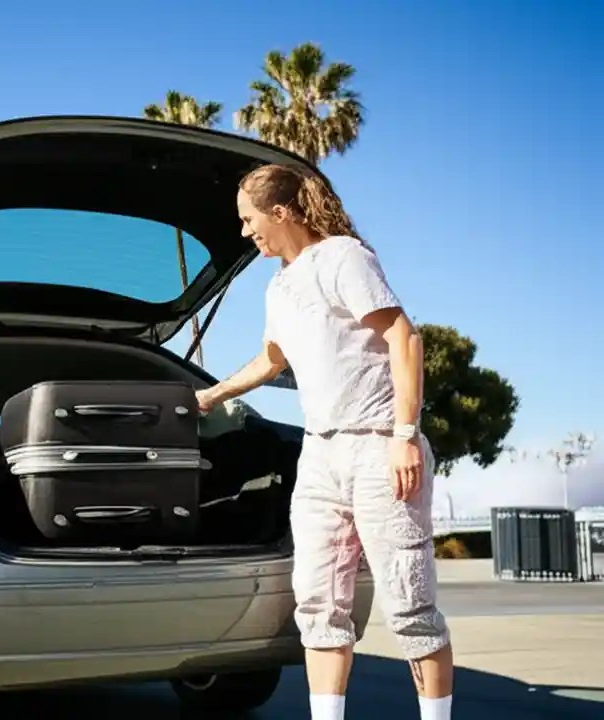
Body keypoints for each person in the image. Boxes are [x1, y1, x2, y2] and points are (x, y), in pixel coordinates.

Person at [194, 163, 454, 720]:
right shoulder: (280, 285)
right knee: (317, 605)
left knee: (410, 605)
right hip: (320, 455)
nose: (245, 232)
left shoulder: (343, 257)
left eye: (248, 219)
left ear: (281, 213)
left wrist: (404, 436)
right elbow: (271, 360)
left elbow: (404, 339)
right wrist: (212, 395)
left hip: (379, 446)